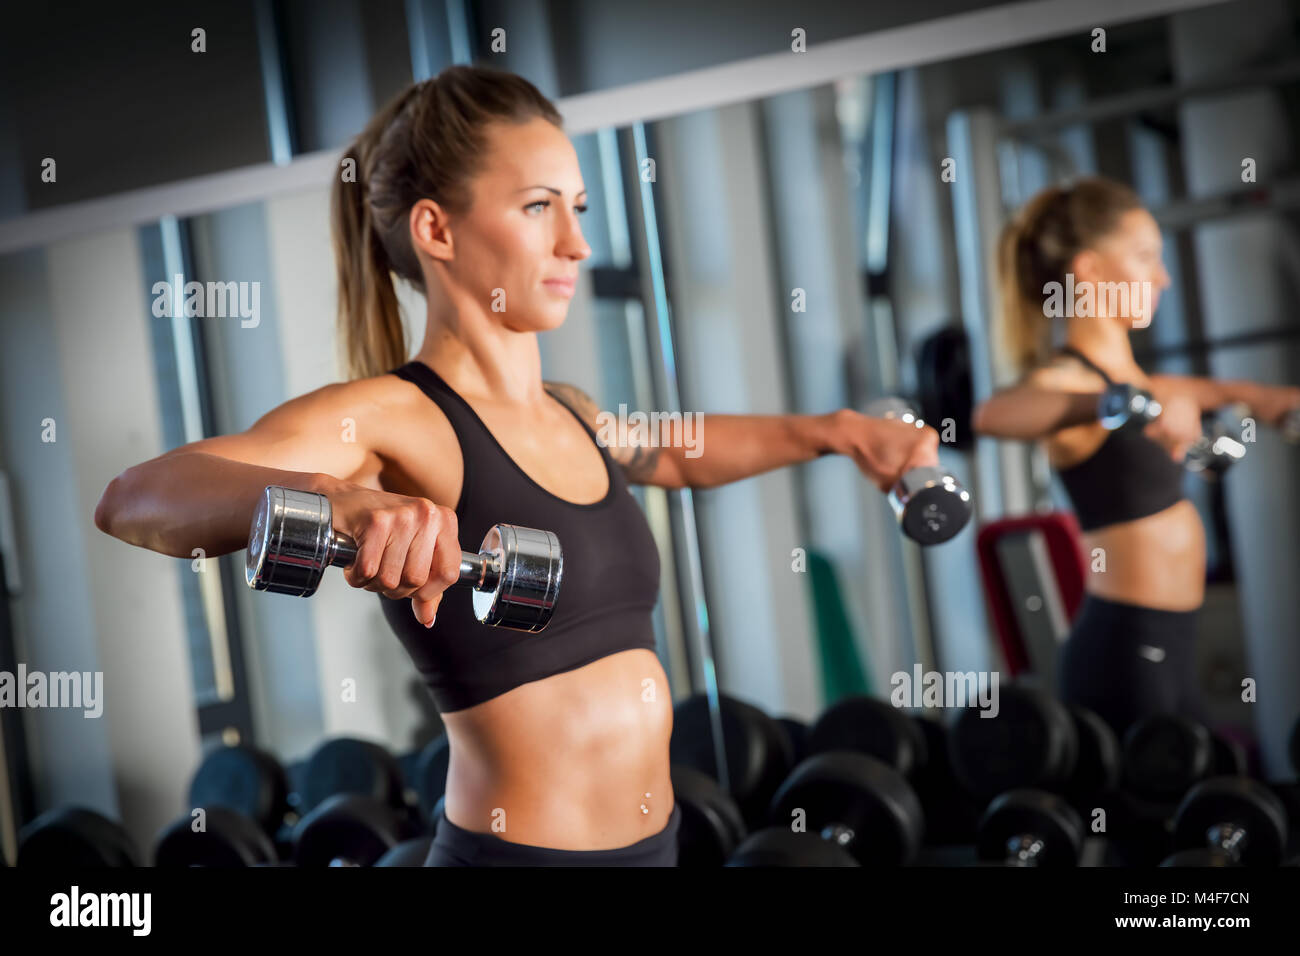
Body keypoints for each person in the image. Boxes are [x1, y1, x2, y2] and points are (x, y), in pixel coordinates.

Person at [93, 65, 940, 866]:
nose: (577, 243)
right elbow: (136, 498)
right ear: (436, 229)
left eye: (577, 205)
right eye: (540, 208)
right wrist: (334, 500)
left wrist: (836, 430)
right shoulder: (399, 416)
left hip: (657, 850)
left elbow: (677, 452)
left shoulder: (572, 413)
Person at [973, 176, 1300, 738]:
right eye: (1146, 257)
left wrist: (1265, 399)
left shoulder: (1133, 380)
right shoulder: (1070, 381)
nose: (1162, 278)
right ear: (1091, 271)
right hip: (1122, 650)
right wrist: (1125, 404)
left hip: (1170, 644)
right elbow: (993, 415)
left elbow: (1191, 390)